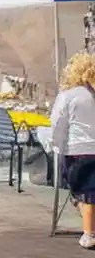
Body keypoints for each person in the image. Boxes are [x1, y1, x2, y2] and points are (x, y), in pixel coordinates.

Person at [51, 52, 95, 250]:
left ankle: (89, 233)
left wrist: (56, 145)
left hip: (77, 150)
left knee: (82, 192)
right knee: (89, 192)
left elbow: (58, 124)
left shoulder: (68, 96)